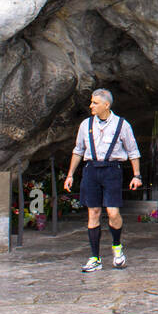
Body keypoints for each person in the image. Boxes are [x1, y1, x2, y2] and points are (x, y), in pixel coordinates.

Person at [63, 89, 142, 272]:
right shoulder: (85, 124)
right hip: (91, 170)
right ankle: (95, 258)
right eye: (91, 102)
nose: (91, 105)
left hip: (112, 170)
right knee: (94, 212)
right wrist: (70, 175)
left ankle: (117, 248)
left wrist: (136, 175)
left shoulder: (122, 125)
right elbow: (78, 150)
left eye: (95, 103)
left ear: (106, 105)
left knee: (113, 212)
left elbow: (133, 151)